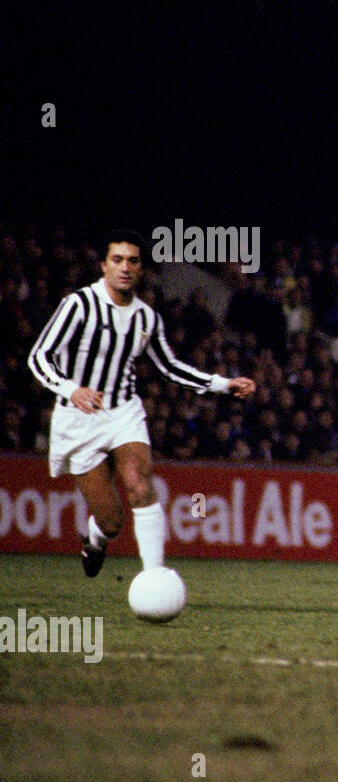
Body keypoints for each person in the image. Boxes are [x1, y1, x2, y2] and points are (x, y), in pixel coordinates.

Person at [27, 229, 257, 577]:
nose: (125, 267)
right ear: (104, 266)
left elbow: (170, 367)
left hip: (123, 412)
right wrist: (71, 389)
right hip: (78, 417)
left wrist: (223, 384)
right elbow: (40, 356)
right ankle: (95, 537)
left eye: (132, 260)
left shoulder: (146, 317)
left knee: (139, 484)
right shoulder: (78, 305)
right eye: (117, 259)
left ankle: (155, 576)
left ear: (141, 269)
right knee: (111, 520)